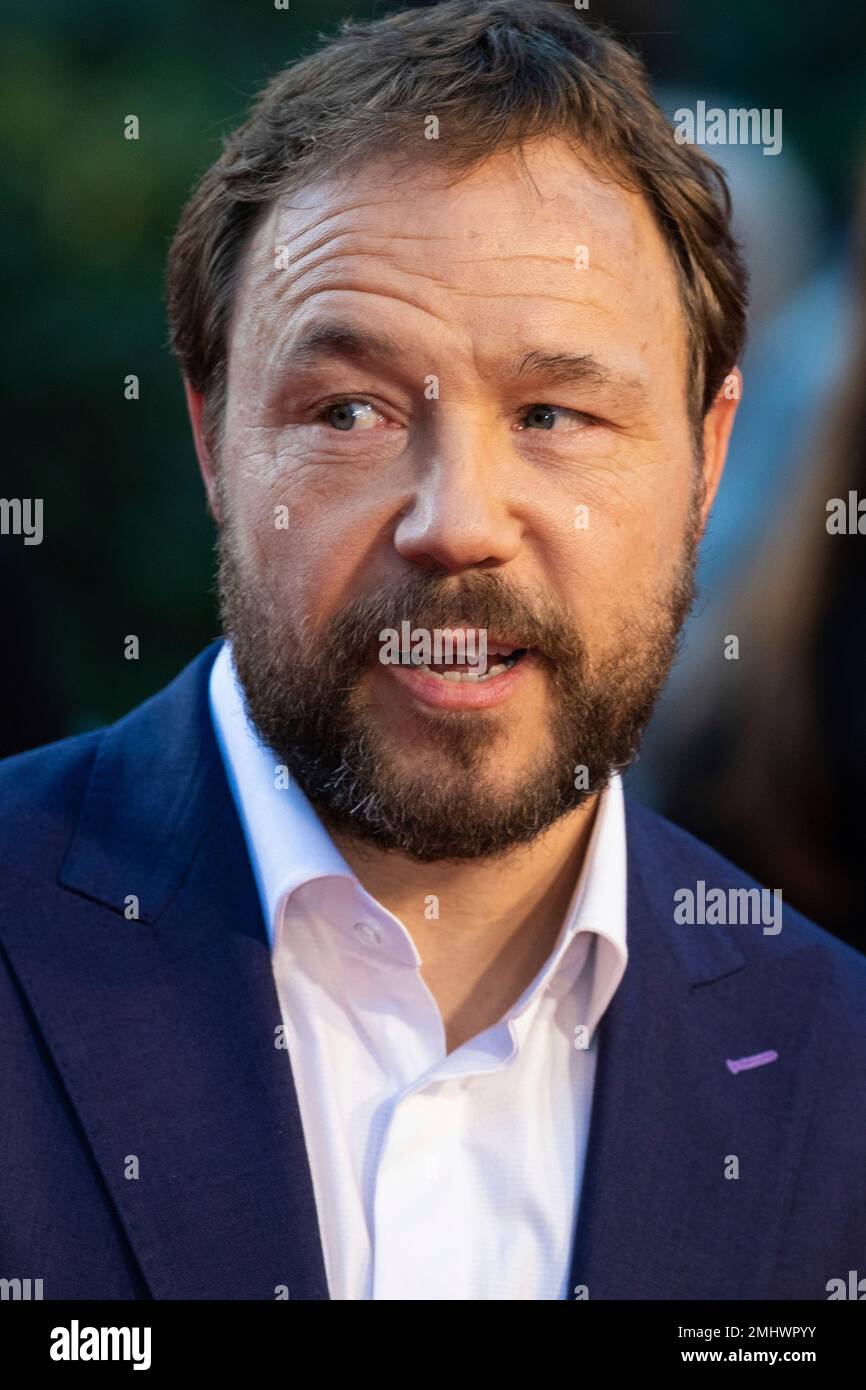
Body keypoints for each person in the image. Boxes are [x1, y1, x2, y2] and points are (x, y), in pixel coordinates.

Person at [1, 0, 864, 1302]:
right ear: (210, 442)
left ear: (708, 460)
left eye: (555, 412)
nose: (455, 521)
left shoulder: (837, 1066)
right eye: (346, 410)